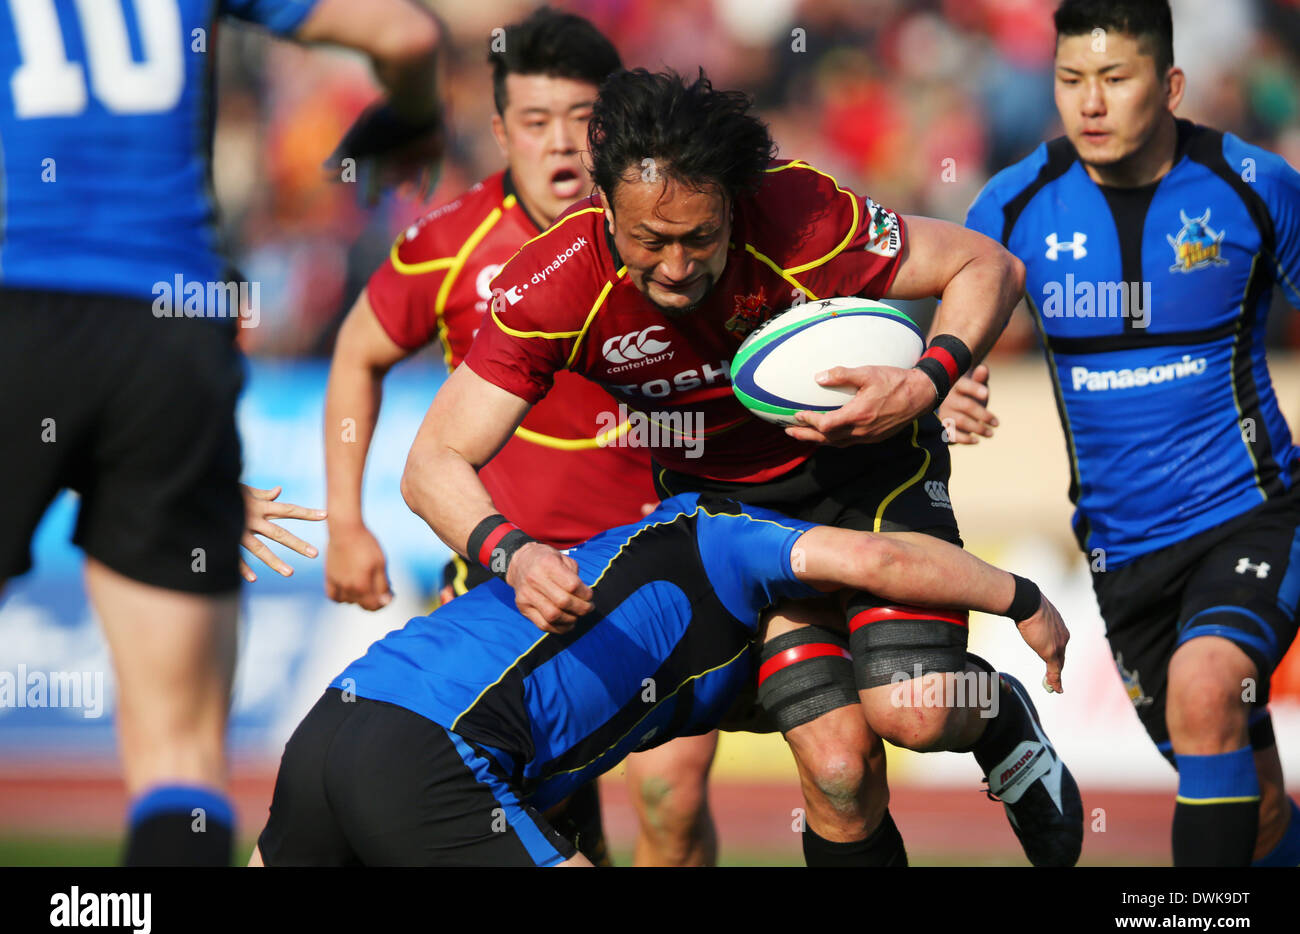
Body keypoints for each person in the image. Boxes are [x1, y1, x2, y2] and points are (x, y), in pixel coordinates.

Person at [400, 68, 1083, 866]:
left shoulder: (799, 215)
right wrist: (509, 552)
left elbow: (988, 267)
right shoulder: (556, 283)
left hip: (869, 482)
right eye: (650, 242)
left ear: (735, 205)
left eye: (701, 237)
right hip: (734, 525)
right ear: (605, 211)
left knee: (915, 711)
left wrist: (925, 378)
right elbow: (431, 462)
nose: (678, 265)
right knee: (836, 770)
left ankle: (997, 716)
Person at [0, 0, 443, 865]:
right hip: (170, 329)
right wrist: (412, 120)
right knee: (181, 757)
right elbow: (409, 35)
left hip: (16, 303)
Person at [320, 7, 717, 866]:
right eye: (538, 123)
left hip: (656, 562)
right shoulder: (445, 245)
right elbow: (357, 352)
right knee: (529, 816)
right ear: (501, 130)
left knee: (673, 797)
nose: (564, 146)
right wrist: (345, 518)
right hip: (510, 578)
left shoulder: (670, 234)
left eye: (585, 120)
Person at [253, 492, 1070, 866]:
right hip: (430, 754)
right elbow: (878, 557)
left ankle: (998, 721)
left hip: (336, 715)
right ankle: (997, 712)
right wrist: (1023, 597)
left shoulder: (638, 556)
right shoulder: (727, 537)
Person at [965, 0, 1300, 866]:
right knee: (1254, 807)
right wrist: (949, 382)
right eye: (1072, 80)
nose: (1091, 102)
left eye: (1115, 79)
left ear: (1173, 84)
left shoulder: (1256, 189)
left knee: (1203, 692)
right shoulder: (1010, 207)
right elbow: (949, 339)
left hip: (1253, 512)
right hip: (1123, 557)